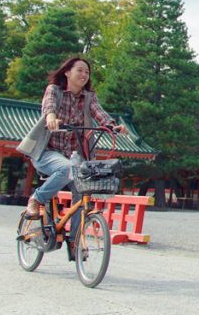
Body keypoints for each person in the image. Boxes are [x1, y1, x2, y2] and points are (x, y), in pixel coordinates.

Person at [23, 57, 125, 255]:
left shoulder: (89, 97)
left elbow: (100, 114)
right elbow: (49, 107)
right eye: (80, 70)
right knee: (67, 169)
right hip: (47, 152)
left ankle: (75, 240)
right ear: (67, 72)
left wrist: (113, 126)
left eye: (87, 72)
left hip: (75, 156)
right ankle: (37, 199)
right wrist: (51, 118)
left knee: (83, 192)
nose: (84, 75)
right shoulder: (54, 90)